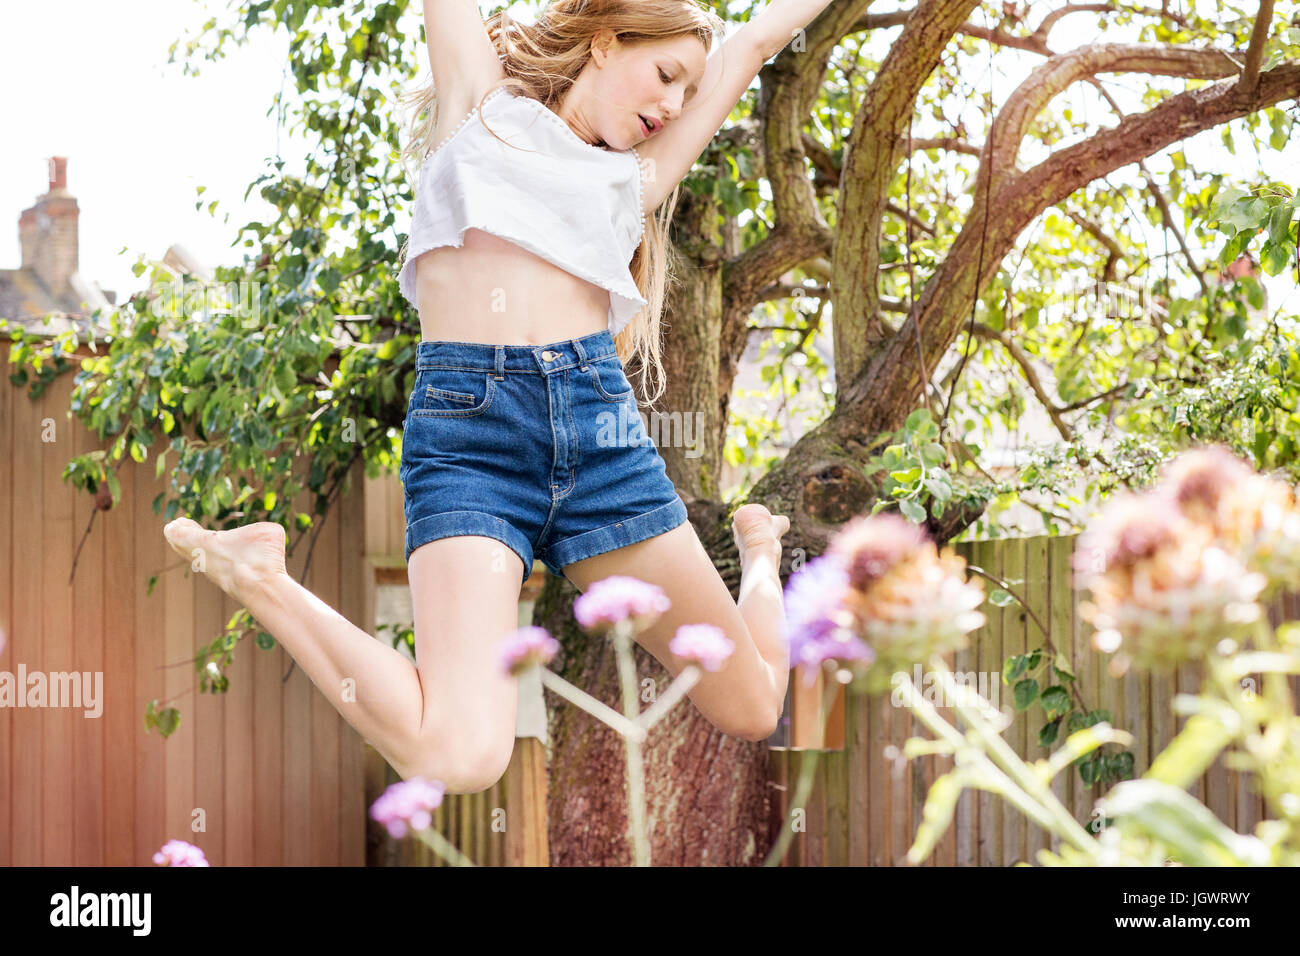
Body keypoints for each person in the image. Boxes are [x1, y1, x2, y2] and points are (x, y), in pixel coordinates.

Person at [164, 0, 836, 794]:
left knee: (756, 701)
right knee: (460, 759)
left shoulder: (636, 176)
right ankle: (260, 576)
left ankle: (760, 553)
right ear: (602, 40)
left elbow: (758, 37)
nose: (672, 107)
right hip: (471, 439)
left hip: (599, 437)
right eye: (664, 77)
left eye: (690, 96)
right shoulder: (479, 104)